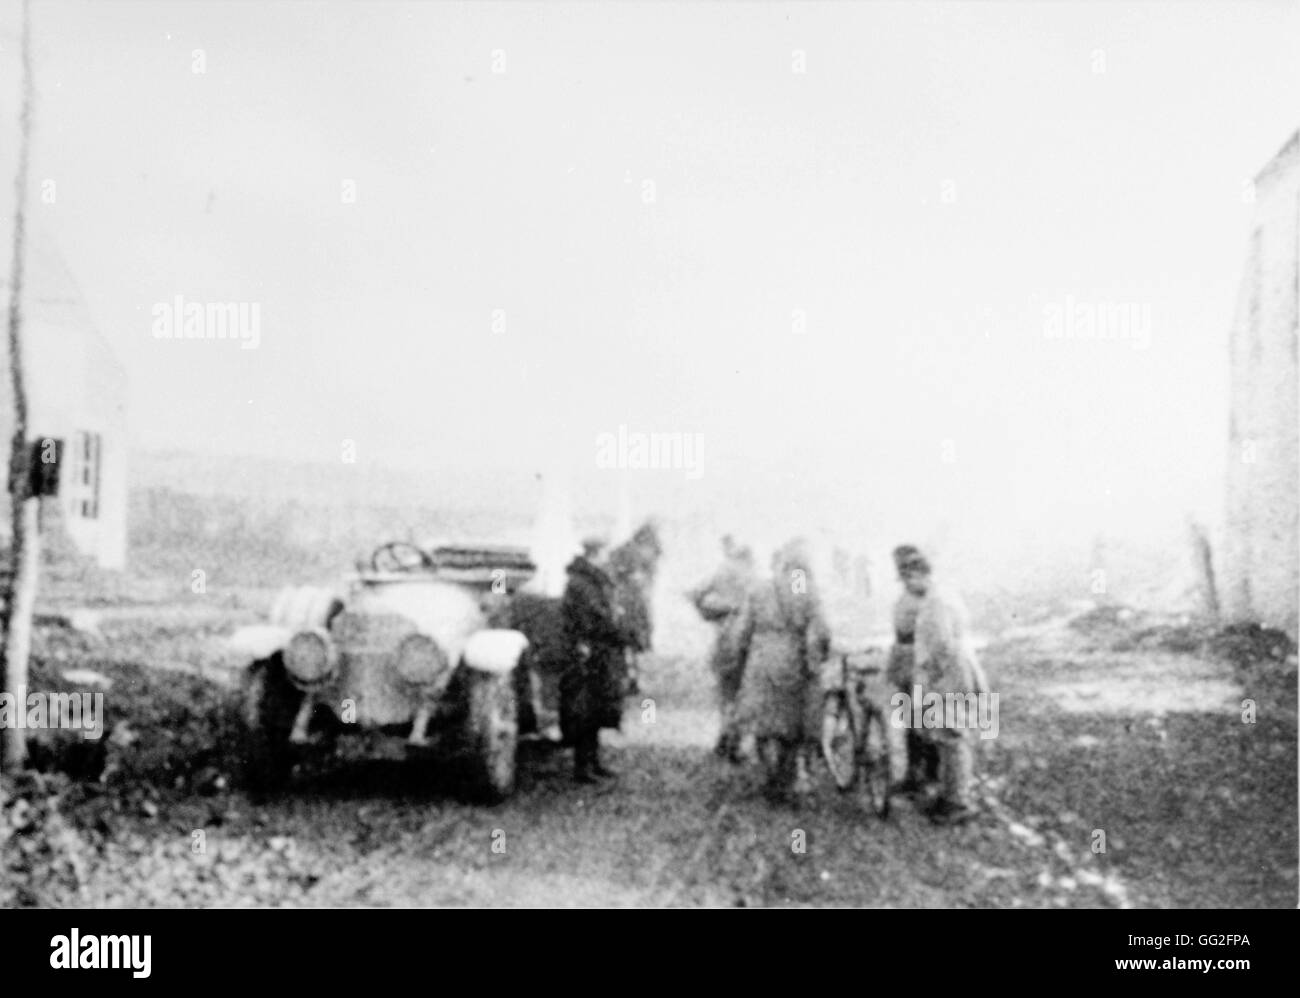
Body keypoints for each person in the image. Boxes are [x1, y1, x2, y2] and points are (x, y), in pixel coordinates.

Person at [895, 545, 990, 826]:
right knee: (948, 736)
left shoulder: (936, 602)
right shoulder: (940, 596)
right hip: (952, 670)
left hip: (949, 674)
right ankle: (951, 794)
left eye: (910, 578)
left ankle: (957, 802)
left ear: (921, 574)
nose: (908, 584)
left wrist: (932, 678)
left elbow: (942, 646)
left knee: (952, 736)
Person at [733, 538, 831, 803]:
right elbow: (820, 628)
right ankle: (784, 779)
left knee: (763, 722)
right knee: (791, 725)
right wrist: (820, 656)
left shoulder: (762, 588)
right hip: (793, 658)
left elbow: (742, 630)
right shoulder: (807, 589)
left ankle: (769, 773)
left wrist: (740, 656)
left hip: (762, 657)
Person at [559, 536, 629, 784]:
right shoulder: (582, 583)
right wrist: (620, 633)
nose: (606, 558)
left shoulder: (592, 580)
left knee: (598, 708)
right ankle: (583, 767)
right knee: (585, 711)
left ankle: (593, 762)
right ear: (594, 554)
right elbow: (595, 618)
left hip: (600, 652)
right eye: (603, 553)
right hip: (589, 654)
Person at [688, 535, 756, 761]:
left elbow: (695, 594)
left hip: (726, 639)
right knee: (743, 693)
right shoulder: (756, 576)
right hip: (749, 642)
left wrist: (712, 612)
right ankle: (735, 740)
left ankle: (725, 737)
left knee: (726, 692)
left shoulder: (722, 571)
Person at [887, 545, 940, 797]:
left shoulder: (931, 600)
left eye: (911, 573)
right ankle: (914, 773)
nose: (907, 579)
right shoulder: (910, 596)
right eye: (904, 574)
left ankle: (928, 775)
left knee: (925, 720)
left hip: (919, 661)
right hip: (905, 659)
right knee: (911, 720)